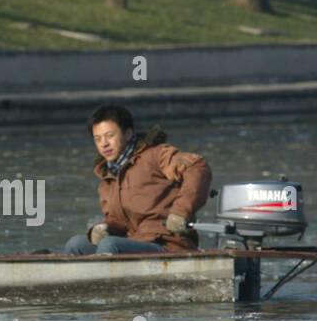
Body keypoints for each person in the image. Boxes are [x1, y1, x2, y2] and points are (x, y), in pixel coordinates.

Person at [63, 104, 212, 255]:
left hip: (168, 244)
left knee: (109, 245)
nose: (104, 144)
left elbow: (196, 166)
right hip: (133, 241)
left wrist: (181, 211)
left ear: (128, 133)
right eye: (97, 139)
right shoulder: (107, 180)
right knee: (76, 244)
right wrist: (104, 227)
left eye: (109, 135)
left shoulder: (157, 155)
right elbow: (119, 221)